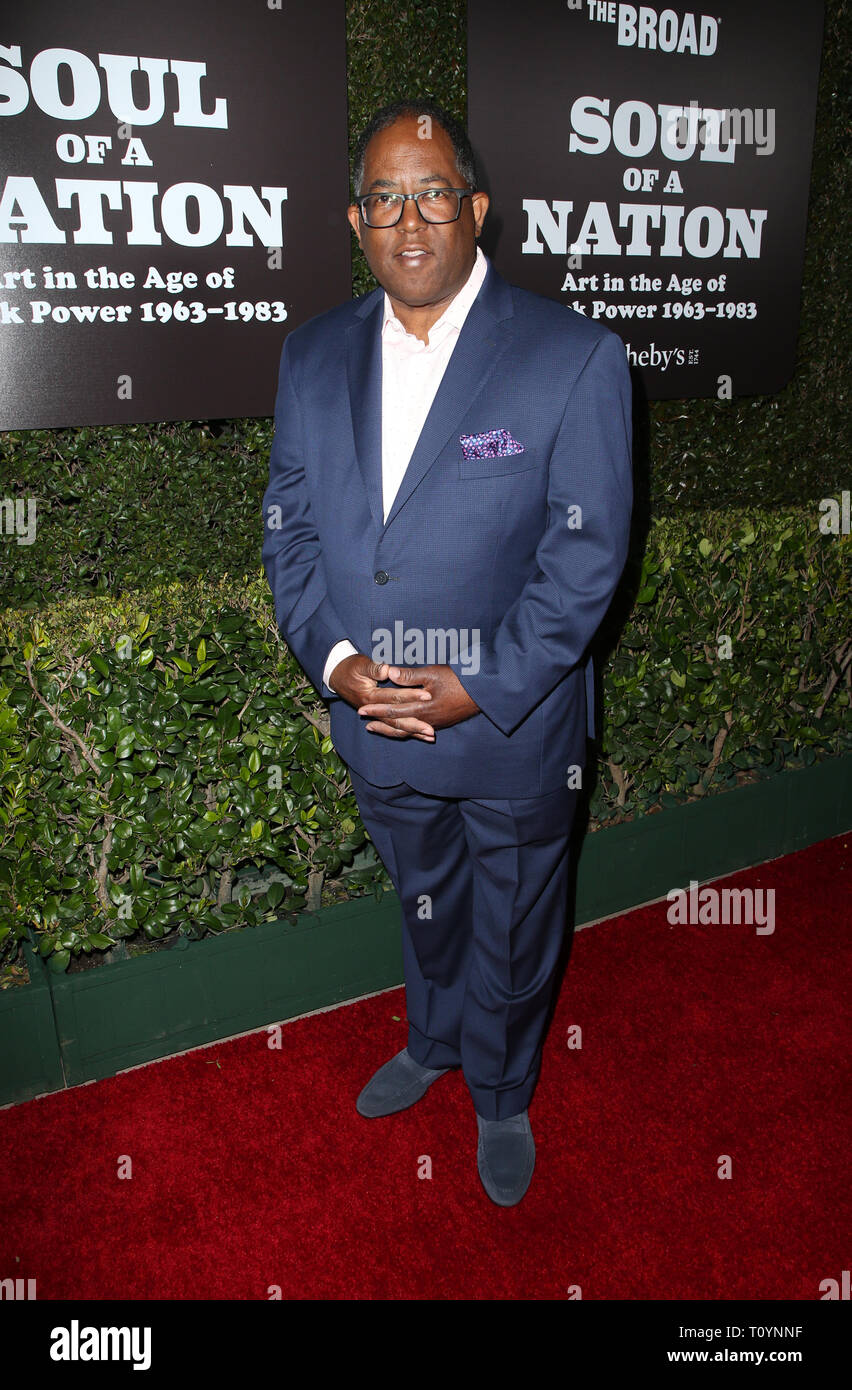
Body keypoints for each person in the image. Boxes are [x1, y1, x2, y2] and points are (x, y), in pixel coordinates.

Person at [262, 99, 632, 1206]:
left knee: (515, 913)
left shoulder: (575, 357)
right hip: (374, 714)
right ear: (355, 218)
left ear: (475, 209)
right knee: (424, 893)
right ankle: (433, 1037)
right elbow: (290, 526)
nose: (408, 218)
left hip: (513, 727)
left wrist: (481, 687)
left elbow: (586, 562)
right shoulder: (311, 353)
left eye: (431, 193)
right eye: (384, 196)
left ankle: (505, 1088)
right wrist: (332, 663)